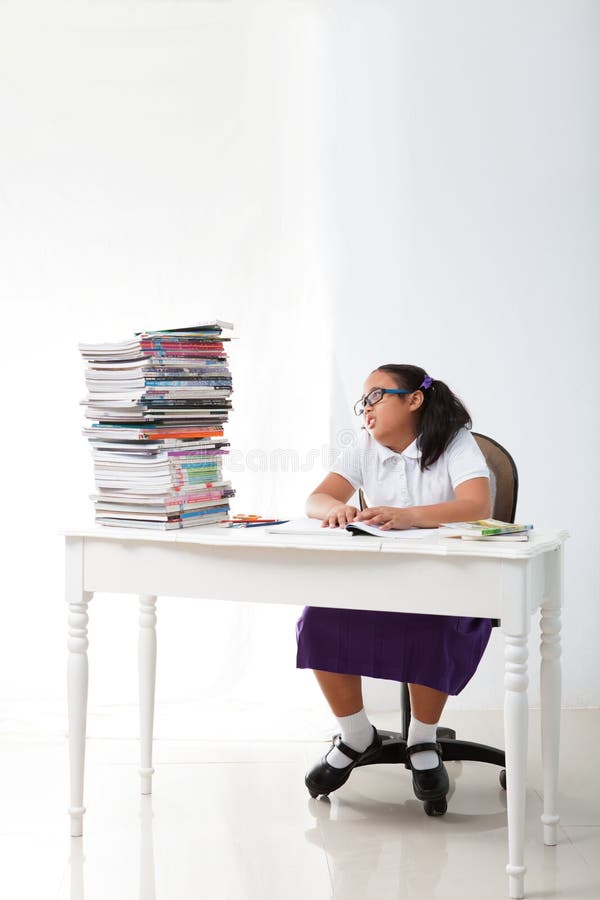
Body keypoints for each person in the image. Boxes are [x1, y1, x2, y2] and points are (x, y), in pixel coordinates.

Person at [296, 363, 492, 808]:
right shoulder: (364, 447)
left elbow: (478, 504)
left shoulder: (456, 443)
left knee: (432, 623)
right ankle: (356, 735)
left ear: (414, 399)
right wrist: (336, 508)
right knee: (320, 618)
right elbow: (316, 498)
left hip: (450, 583)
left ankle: (422, 741)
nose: (365, 411)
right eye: (361, 403)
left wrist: (409, 516)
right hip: (381, 580)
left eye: (374, 398)